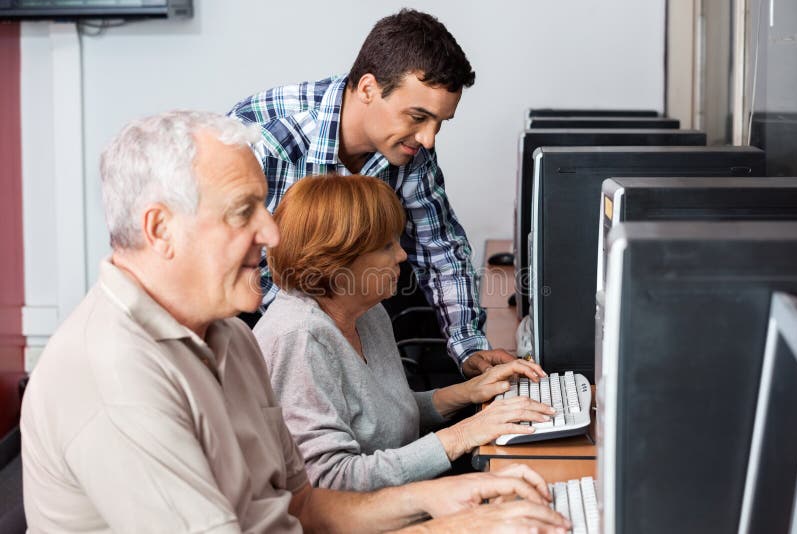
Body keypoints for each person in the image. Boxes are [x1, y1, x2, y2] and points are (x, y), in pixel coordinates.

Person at [20, 111, 570, 533]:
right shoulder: (113, 376)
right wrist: (447, 527)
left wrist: (432, 498)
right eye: (243, 211)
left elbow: (301, 503)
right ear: (160, 230)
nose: (272, 233)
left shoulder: (230, 336)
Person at [229, 8, 516, 378]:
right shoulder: (263, 140)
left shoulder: (410, 149)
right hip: (258, 329)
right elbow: (221, 264)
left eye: (439, 123)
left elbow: (441, 250)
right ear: (367, 89)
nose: (428, 138)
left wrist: (469, 348)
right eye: (418, 117)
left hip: (339, 319)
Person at [254, 174, 557, 492]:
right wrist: (462, 434)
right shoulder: (299, 340)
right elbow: (331, 482)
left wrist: (470, 391)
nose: (402, 255)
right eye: (387, 246)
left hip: (402, 496)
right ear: (337, 261)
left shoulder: (366, 311)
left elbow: (385, 419)